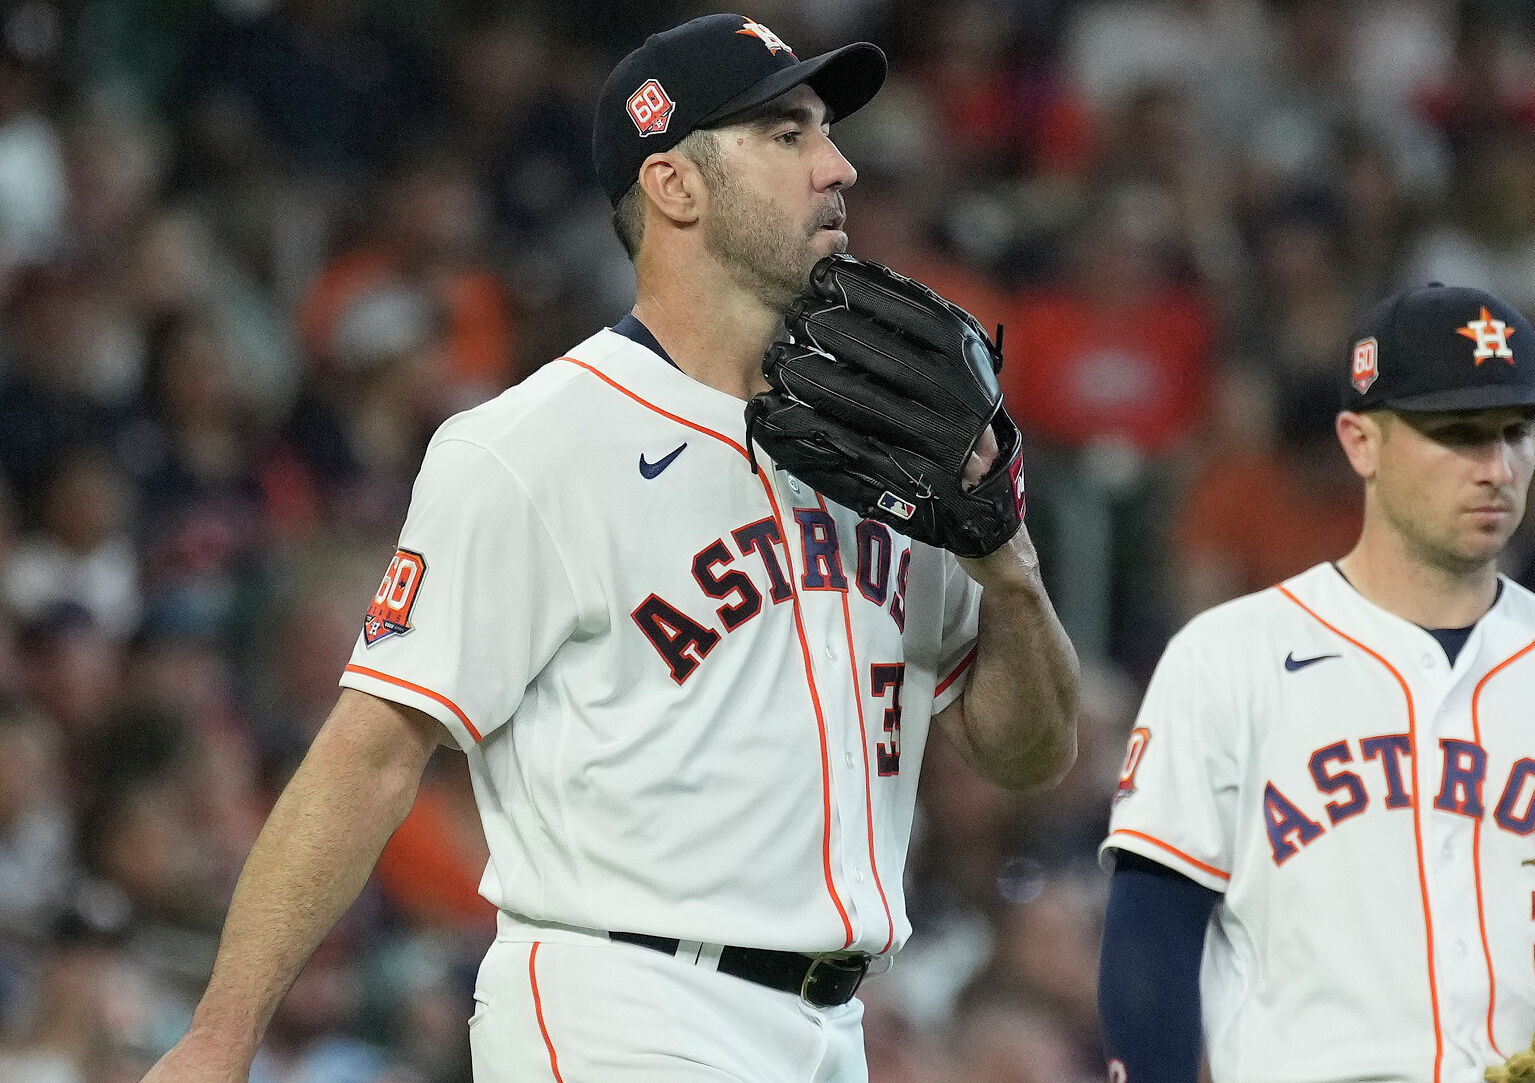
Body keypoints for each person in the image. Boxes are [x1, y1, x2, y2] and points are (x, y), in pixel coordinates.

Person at [142, 14, 1079, 1082]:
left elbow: (1024, 755)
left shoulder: (895, 444)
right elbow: (369, 754)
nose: (838, 164)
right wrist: (221, 1039)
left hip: (831, 1028)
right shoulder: (531, 447)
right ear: (674, 186)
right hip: (622, 1006)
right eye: (784, 134)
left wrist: (1008, 569)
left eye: (823, 129)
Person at [1095, 284, 1535, 1082]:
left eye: (1516, 432)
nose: (1497, 467)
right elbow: (1153, 928)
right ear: (1360, 441)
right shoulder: (1229, 656)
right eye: (1459, 433)